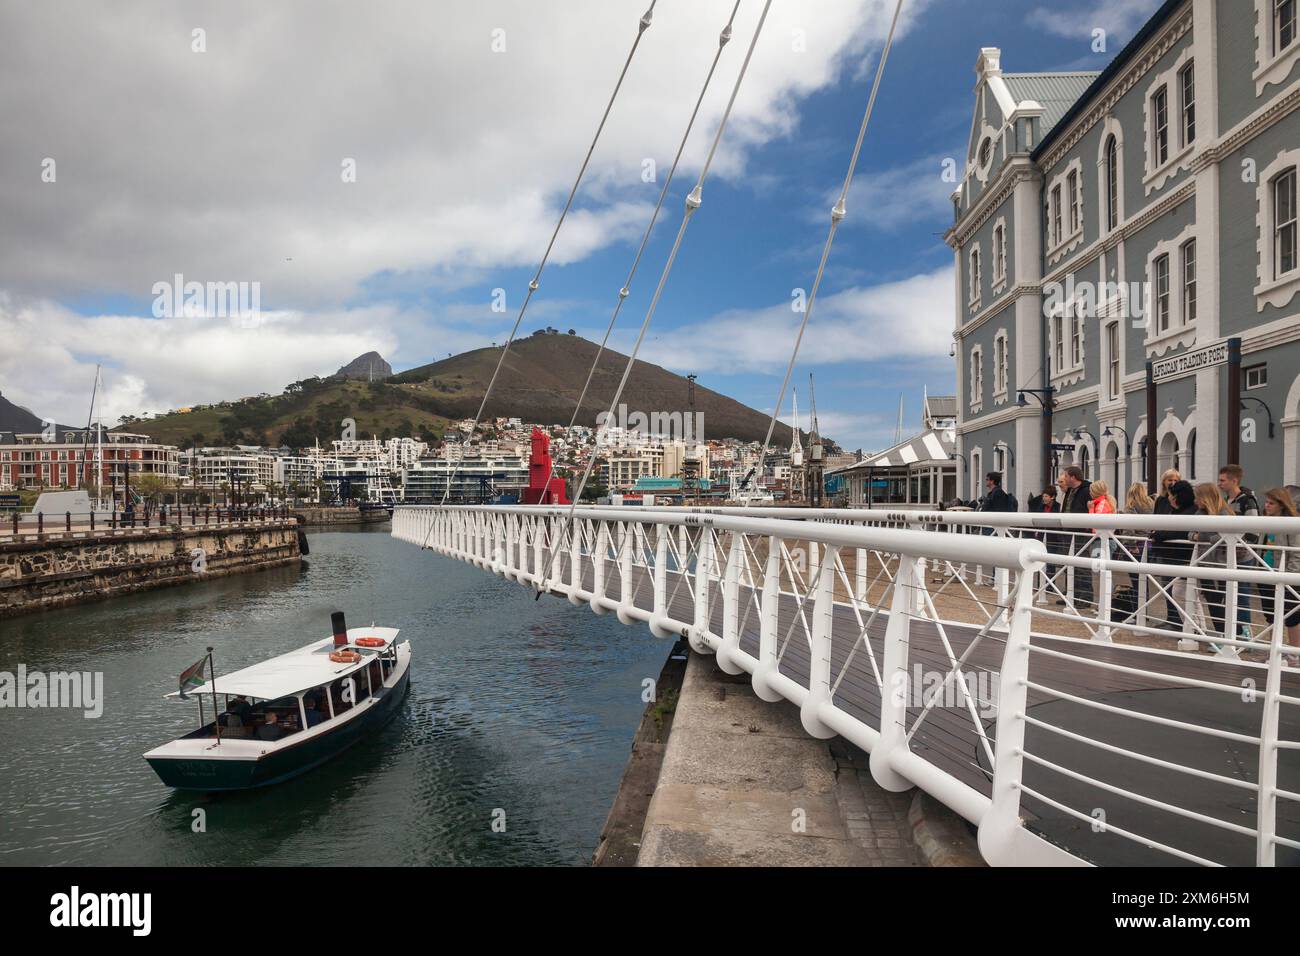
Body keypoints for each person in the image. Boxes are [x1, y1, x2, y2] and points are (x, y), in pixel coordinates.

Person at [1218, 464, 1261, 640]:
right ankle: (1232, 632)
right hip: (1227, 556)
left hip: (1242, 557)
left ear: (1234, 480)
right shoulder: (1226, 501)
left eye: (1222, 480)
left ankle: (1245, 633)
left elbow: (1253, 531)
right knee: (1228, 593)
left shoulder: (1247, 501)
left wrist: (1238, 548)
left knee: (1241, 594)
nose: (1219, 484)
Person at [1150, 479, 1197, 630]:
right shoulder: (1177, 510)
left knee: (1182, 592)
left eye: (1171, 495)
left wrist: (1159, 534)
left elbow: (1180, 530)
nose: (1168, 498)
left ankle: (1188, 624)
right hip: (1170, 555)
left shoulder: (1190, 511)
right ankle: (1176, 620)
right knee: (1170, 589)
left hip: (1181, 557)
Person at [1191, 482, 1233, 646]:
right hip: (1205, 561)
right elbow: (1190, 533)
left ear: (1206, 498)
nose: (1196, 500)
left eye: (1198, 497)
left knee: (1222, 599)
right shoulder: (1200, 513)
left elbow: (1227, 536)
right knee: (1211, 598)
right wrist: (1203, 537)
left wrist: (1202, 537)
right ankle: (1220, 635)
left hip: (1221, 563)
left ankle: (1226, 636)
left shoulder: (1224, 513)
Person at [1260, 488, 1300, 653]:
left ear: (1282, 505)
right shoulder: (1265, 521)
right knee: (1270, 615)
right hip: (1266, 573)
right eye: (1266, 502)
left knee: (1291, 617)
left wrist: (1289, 577)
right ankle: (1274, 652)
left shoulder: (1292, 523)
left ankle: (1294, 652)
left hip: (1285, 575)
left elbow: (1297, 552)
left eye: (1271, 503)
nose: (1267, 506)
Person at [1059, 466, 1094, 608]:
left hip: (1081, 532)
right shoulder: (1070, 491)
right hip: (1069, 531)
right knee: (1069, 563)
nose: (1064, 479)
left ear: (1073, 477)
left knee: (1082, 564)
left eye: (1066, 476)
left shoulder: (1086, 490)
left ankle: (1085, 597)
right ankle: (1071, 593)